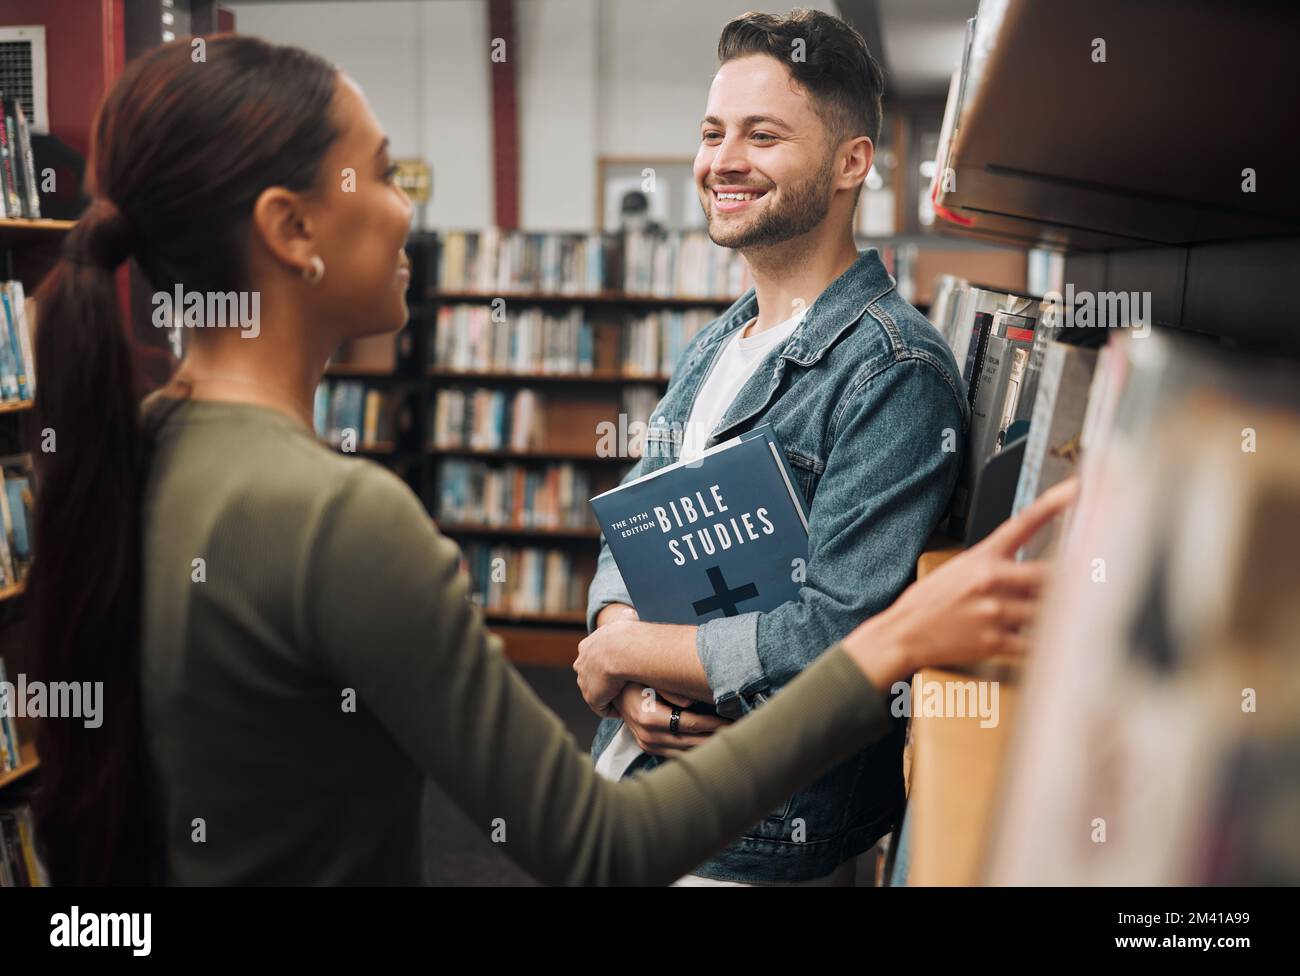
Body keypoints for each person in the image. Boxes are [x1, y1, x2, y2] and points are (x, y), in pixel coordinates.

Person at [27, 34, 1074, 886]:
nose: (408, 206)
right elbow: (594, 849)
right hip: (665, 796)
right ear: (291, 230)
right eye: (386, 173)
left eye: (760, 132)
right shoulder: (339, 518)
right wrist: (892, 644)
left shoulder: (138, 451)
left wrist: (624, 647)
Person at [580, 9, 966, 883]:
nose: (722, 161)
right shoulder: (718, 341)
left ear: (850, 162)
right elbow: (631, 521)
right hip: (636, 779)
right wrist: (621, 647)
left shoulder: (895, 372)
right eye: (713, 132)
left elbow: (837, 632)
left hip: (761, 831)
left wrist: (622, 655)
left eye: (763, 135)